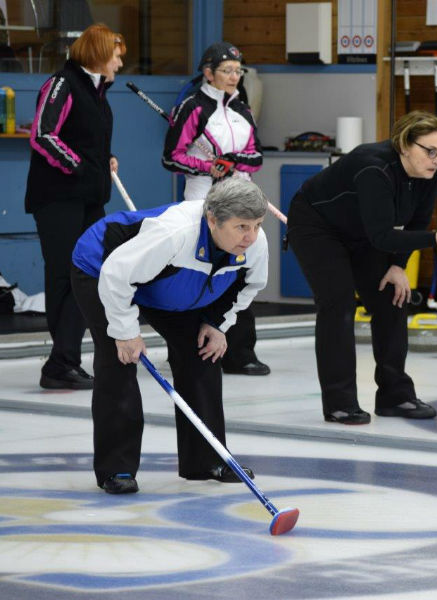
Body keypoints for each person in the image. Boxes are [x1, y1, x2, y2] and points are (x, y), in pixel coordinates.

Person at [70, 178, 269, 494]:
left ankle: (208, 460)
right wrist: (125, 332)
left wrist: (218, 325)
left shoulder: (254, 244)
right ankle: (117, 469)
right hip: (103, 269)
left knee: (202, 354)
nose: (251, 236)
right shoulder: (175, 233)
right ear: (212, 219)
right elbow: (117, 275)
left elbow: (249, 285)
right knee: (119, 359)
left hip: (165, 284)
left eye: (257, 225)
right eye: (242, 226)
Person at [286, 111, 437, 425]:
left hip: (365, 233)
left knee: (393, 297)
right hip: (318, 227)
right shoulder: (374, 167)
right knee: (338, 304)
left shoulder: (428, 174)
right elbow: (384, 235)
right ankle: (340, 403)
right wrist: (436, 239)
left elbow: (416, 223)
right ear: (406, 145)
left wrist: (397, 266)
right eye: (430, 151)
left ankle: (395, 395)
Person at [24, 23, 125, 390]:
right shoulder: (62, 83)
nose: (119, 62)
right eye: (116, 54)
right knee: (66, 277)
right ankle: (61, 363)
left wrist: (103, 158)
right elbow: (43, 135)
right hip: (58, 198)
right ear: (99, 54)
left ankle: (64, 360)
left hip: (88, 197)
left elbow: (85, 138)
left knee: (89, 274)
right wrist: (79, 166)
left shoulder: (98, 91)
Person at [162, 41, 270, 377]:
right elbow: (172, 157)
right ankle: (192, 348)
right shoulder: (193, 107)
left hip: (242, 199)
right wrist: (206, 167)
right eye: (227, 70)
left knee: (241, 271)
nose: (234, 76)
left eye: (238, 71)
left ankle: (241, 351)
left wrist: (234, 161)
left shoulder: (242, 108)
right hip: (203, 200)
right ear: (208, 73)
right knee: (202, 272)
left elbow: (256, 154)